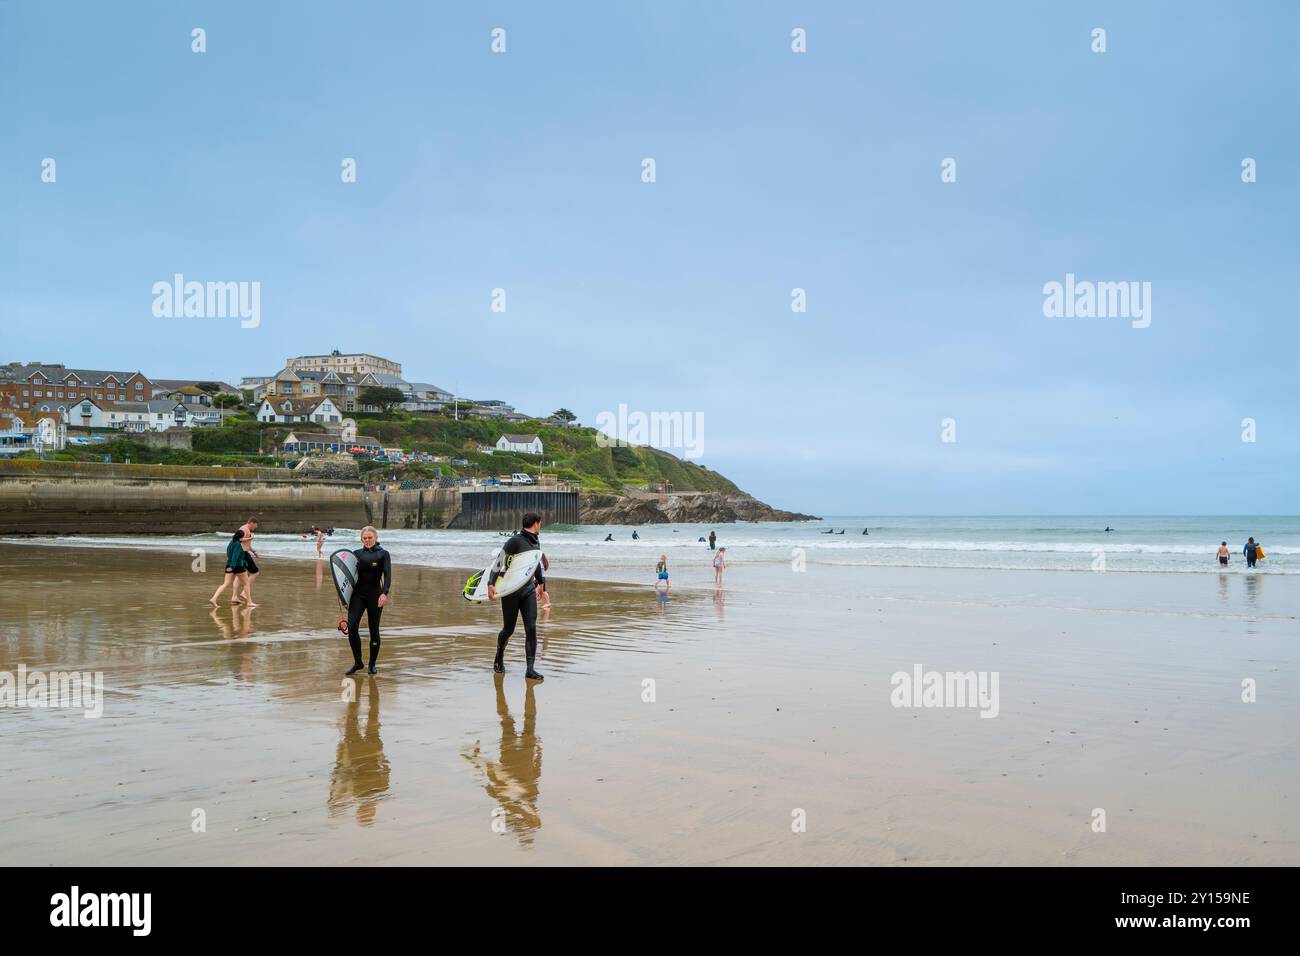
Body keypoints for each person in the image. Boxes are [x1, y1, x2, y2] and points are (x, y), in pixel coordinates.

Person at [488, 513, 546, 682]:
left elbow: (535, 564)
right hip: (511, 591)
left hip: (528, 589)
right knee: (509, 629)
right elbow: (499, 562)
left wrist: (541, 584)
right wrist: (491, 583)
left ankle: (530, 669)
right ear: (536, 524)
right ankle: (499, 656)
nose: (540, 526)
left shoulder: (535, 541)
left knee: (531, 628)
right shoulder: (515, 541)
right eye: (540, 524)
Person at [343, 526, 391, 676]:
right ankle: (358, 662)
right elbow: (347, 577)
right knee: (351, 628)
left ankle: (372, 664)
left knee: (374, 631)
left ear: (375, 538)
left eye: (370, 538)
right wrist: (343, 596)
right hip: (357, 595)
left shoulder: (383, 554)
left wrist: (384, 593)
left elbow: (388, 576)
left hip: (375, 596)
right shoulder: (356, 554)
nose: (368, 540)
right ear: (361, 539)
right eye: (365, 538)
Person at [208, 528, 249, 606]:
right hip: (237, 566)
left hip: (229, 565)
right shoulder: (238, 544)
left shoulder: (231, 543)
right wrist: (233, 567)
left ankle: (213, 599)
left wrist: (230, 566)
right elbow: (235, 556)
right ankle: (249, 602)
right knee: (246, 583)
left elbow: (228, 554)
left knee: (225, 584)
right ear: (241, 537)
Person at [236, 517, 261, 608]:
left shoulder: (247, 530)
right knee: (255, 572)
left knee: (240, 575)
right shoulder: (243, 529)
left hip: (243, 553)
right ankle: (243, 593)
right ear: (251, 523)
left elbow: (247, 544)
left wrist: (254, 551)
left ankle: (235, 597)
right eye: (254, 526)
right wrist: (251, 538)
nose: (254, 528)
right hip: (242, 553)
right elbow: (239, 539)